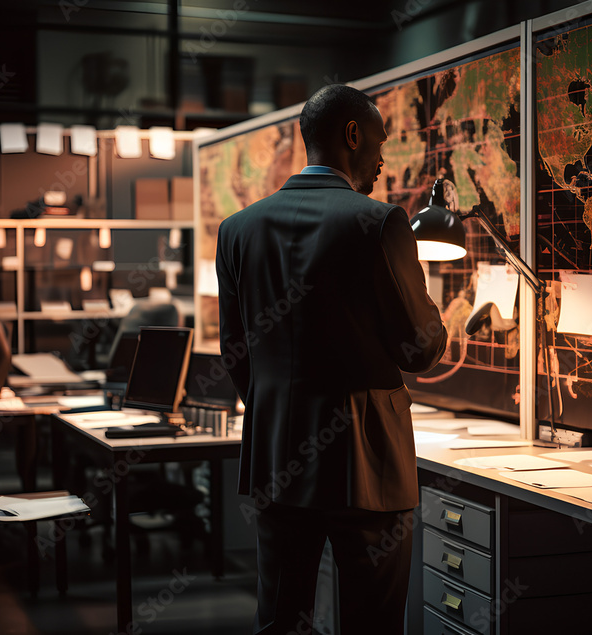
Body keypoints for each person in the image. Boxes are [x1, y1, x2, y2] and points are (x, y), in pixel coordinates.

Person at [215, 84, 447, 633]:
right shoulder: (379, 223)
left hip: (276, 457)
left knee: (279, 618)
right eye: (380, 141)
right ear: (351, 135)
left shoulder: (237, 229)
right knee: (372, 621)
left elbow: (234, 351)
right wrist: (436, 318)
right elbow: (417, 350)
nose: (383, 159)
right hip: (366, 461)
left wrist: (277, 406)